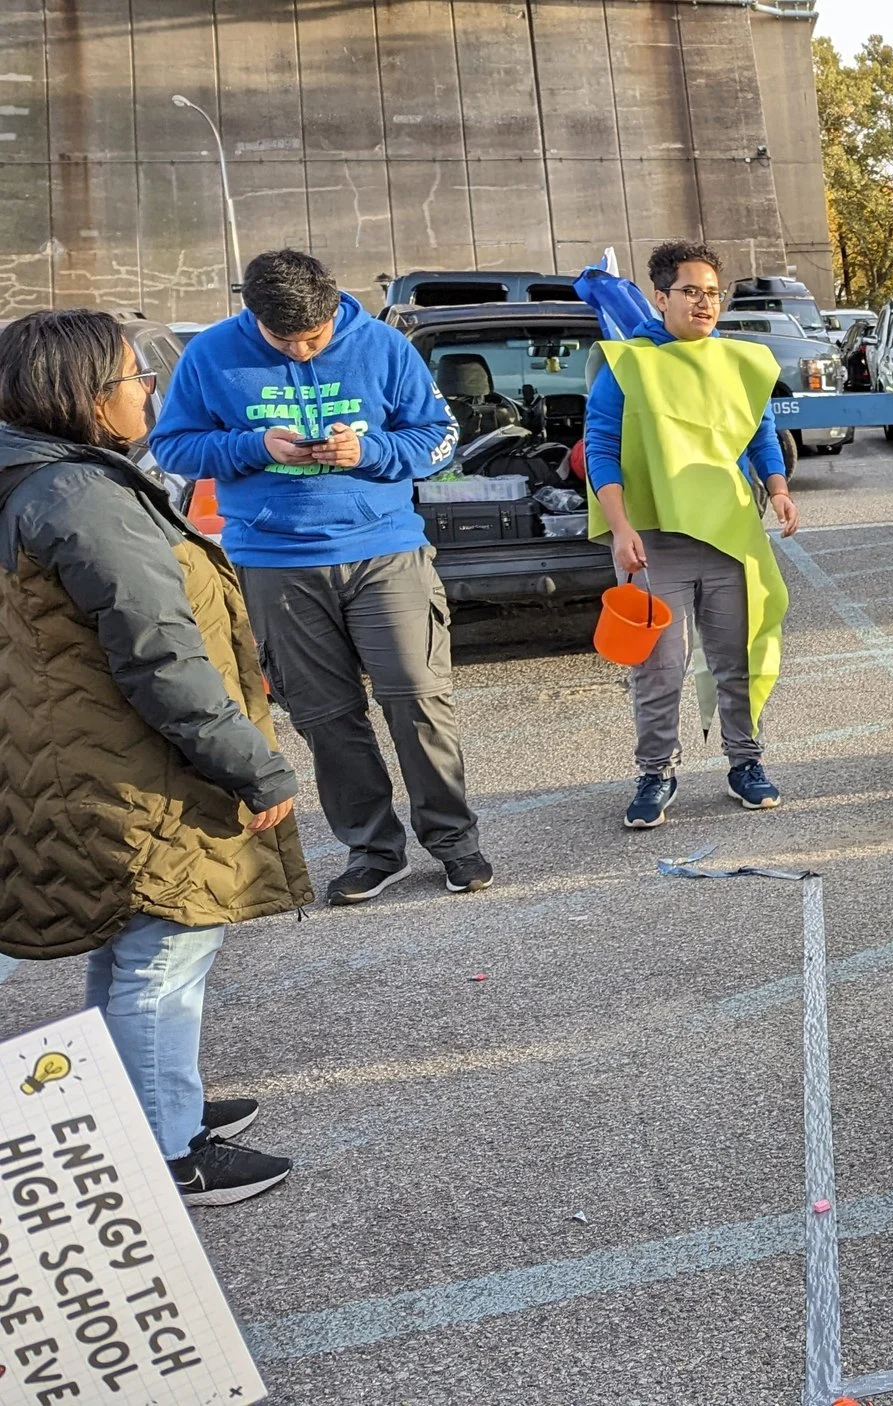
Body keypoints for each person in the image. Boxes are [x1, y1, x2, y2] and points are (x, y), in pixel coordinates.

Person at [0, 309, 303, 1205]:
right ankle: (169, 1153)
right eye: (137, 379)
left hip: (80, 753)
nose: (149, 393)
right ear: (87, 399)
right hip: (134, 765)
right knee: (166, 950)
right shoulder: (79, 496)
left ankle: (134, 1108)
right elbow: (160, 651)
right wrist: (251, 764)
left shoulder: (33, 477)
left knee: (130, 938)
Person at [152, 249, 488, 906]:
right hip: (274, 560)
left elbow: (440, 437)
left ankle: (454, 840)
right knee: (325, 715)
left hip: (384, 550)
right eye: (286, 340)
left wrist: (372, 452)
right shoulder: (210, 356)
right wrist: (253, 447)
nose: (304, 351)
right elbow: (174, 446)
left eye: (316, 335)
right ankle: (372, 848)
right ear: (254, 317)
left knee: (418, 697)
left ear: (335, 306)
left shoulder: (385, 347)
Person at [584, 240, 800, 829]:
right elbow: (601, 450)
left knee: (739, 655)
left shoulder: (739, 362)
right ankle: (656, 772)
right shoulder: (626, 362)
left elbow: (760, 434)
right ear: (661, 297)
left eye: (711, 293)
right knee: (659, 667)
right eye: (690, 292)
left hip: (729, 535)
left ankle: (746, 764)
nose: (704, 303)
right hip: (654, 542)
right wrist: (620, 526)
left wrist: (777, 489)